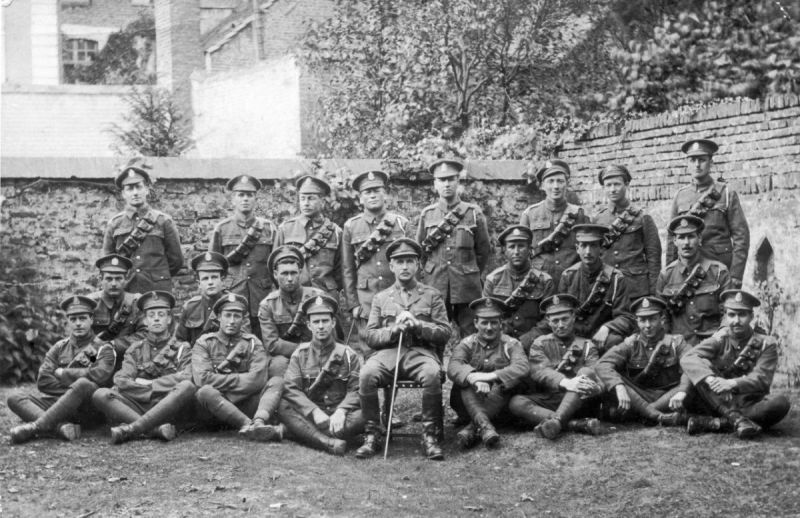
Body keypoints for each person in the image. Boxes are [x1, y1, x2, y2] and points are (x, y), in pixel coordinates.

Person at [356, 238, 451, 460]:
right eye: (399, 262)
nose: (405, 266)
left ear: (418, 264)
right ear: (391, 266)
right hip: (388, 354)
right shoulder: (381, 298)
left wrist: (419, 325)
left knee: (431, 374)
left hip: (421, 353)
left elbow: (445, 331)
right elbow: (370, 336)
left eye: (410, 261)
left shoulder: (432, 295)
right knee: (366, 374)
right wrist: (394, 329)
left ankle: (430, 435)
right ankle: (372, 434)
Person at [680, 290, 791, 438]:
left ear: (751, 316)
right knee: (702, 363)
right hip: (716, 400)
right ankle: (737, 420)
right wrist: (711, 380)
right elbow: (688, 358)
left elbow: (761, 379)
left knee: (780, 403)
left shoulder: (766, 343)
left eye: (742, 314)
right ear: (725, 316)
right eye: (731, 315)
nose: (736, 320)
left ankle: (716, 423)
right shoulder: (720, 338)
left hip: (747, 403)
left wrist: (731, 383)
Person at [7, 296, 115, 444]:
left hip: (88, 410)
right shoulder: (59, 347)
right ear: (68, 321)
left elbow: (99, 376)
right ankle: (60, 427)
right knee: (15, 398)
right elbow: (43, 381)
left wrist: (63, 374)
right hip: (61, 406)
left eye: (82, 318)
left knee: (83, 384)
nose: (78, 323)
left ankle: (36, 427)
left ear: (91, 319)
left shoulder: (105, 348)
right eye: (73, 319)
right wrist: (72, 393)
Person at [92, 291, 196, 444]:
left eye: (161, 314)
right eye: (151, 315)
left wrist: (149, 384)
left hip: (166, 404)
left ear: (169, 320)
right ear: (145, 321)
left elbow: (186, 376)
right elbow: (121, 379)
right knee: (100, 394)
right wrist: (158, 387)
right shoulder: (135, 349)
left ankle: (133, 428)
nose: (156, 319)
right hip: (137, 404)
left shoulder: (182, 348)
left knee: (187, 386)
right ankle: (154, 429)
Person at [508, 294, 605, 440]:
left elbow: (598, 376)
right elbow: (539, 371)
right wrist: (567, 382)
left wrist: (597, 388)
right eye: (555, 320)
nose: (560, 325)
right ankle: (574, 424)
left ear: (573, 316)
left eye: (565, 319)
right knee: (516, 402)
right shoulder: (540, 343)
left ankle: (557, 421)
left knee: (586, 372)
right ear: (548, 321)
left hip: (579, 401)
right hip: (552, 398)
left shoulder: (587, 345)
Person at [278, 294, 364, 455]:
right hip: (312, 415)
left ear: (333, 323)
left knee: (366, 413)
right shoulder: (300, 354)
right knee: (282, 405)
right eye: (316, 322)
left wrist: (342, 411)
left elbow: (356, 389)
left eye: (325, 321)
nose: (321, 326)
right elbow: (291, 389)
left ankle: (298, 432)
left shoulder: (348, 354)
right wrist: (314, 412)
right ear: (309, 325)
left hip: (339, 416)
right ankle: (327, 441)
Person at [416, 158, 490, 338]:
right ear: (435, 183)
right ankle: (435, 366)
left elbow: (483, 250)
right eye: (441, 180)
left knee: (471, 333)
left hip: (467, 285)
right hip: (436, 284)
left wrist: (469, 270)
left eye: (451, 179)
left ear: (458, 181)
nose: (446, 184)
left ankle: (469, 366)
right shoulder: (428, 214)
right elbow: (420, 252)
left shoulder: (473, 212)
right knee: (434, 333)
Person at [193, 293, 282, 442]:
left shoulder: (253, 343)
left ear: (243, 319)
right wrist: (242, 382)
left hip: (246, 405)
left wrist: (224, 387)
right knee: (205, 391)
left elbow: (258, 380)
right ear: (219, 317)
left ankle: (259, 421)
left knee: (277, 381)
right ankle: (248, 425)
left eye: (237, 316)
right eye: (227, 315)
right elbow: (202, 379)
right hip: (215, 408)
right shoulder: (204, 343)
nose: (232, 321)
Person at [594, 296, 691, 426]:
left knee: (694, 377)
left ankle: (642, 413)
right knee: (609, 377)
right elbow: (602, 364)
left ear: (661, 319)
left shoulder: (677, 342)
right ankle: (658, 415)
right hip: (639, 394)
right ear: (637, 321)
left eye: (652, 319)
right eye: (642, 320)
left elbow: (692, 366)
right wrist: (619, 386)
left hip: (670, 395)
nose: (647, 325)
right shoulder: (631, 343)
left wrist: (682, 391)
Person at [342, 170, 409, 355]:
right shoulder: (351, 227)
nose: (372, 195)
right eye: (367, 192)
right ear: (360, 198)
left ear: (385, 194)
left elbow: (412, 265)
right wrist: (353, 303)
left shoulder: (401, 224)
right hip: (366, 296)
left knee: (398, 346)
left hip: (395, 293)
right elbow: (347, 269)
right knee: (369, 347)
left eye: (377, 190)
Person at [447, 297, 529, 449]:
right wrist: (473, 378)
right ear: (476, 323)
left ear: (501, 324)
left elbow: (522, 366)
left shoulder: (510, 344)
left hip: (502, 406)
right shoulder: (467, 344)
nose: (489, 327)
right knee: (466, 382)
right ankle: (484, 426)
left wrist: (490, 376)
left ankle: (475, 427)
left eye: (494, 322)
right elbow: (453, 366)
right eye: (484, 322)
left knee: (505, 383)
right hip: (468, 403)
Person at [667, 139, 749, 288]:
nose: (697, 165)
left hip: (719, 269)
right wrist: (670, 273)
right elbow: (672, 239)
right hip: (688, 272)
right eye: (692, 160)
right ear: (687, 164)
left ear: (710, 162)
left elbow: (741, 237)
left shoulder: (725, 192)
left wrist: (736, 275)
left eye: (702, 160)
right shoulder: (680, 196)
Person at [210, 174, 278, 337]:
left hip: (262, 296)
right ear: (233, 199)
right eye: (241, 195)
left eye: (249, 195)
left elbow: (276, 266)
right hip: (233, 297)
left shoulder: (269, 228)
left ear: (256, 199)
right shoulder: (222, 229)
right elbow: (213, 268)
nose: (245, 199)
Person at [102, 160, 184, 293]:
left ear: (146, 189)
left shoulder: (164, 221)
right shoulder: (115, 224)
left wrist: (158, 277)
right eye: (129, 188)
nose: (135, 192)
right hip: (127, 290)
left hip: (157, 291)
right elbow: (108, 262)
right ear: (123, 194)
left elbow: (176, 261)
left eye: (138, 187)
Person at [558, 224, 636, 352]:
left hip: (602, 338)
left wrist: (607, 328)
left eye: (593, 245)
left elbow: (626, 317)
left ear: (601, 249)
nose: (588, 252)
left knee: (615, 341)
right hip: (574, 335)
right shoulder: (568, 276)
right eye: (583, 246)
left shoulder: (616, 278)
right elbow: (561, 312)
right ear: (577, 248)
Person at [656, 216, 731, 345]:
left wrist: (721, 334)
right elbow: (662, 317)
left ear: (699, 239)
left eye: (691, 236)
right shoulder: (666, 276)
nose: (686, 243)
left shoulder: (719, 272)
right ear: (674, 241)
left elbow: (729, 311)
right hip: (680, 346)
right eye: (681, 237)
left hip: (712, 345)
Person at [592, 164, 661, 298]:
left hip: (636, 288)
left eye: (617, 184)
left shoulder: (642, 218)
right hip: (608, 288)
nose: (612, 189)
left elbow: (654, 258)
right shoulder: (598, 220)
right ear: (603, 188)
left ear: (627, 184)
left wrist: (653, 292)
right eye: (608, 185)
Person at [483, 225, 554, 352]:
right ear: (504, 250)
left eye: (521, 246)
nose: (516, 251)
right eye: (511, 247)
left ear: (529, 250)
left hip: (535, 345)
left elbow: (549, 319)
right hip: (500, 344)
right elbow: (487, 316)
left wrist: (526, 340)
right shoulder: (492, 280)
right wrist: (505, 340)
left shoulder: (544, 280)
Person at [519, 160, 589, 284]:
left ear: (567, 184)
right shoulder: (529, 214)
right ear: (542, 186)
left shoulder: (580, 214)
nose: (555, 186)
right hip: (540, 282)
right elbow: (522, 252)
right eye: (551, 181)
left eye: (560, 181)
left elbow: (589, 250)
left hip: (572, 281)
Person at [275, 174, 342, 297]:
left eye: (311, 198)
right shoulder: (285, 229)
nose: (306, 203)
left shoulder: (335, 232)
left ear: (322, 201)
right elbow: (275, 266)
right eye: (303, 198)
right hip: (294, 295)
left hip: (326, 295)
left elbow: (341, 270)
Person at [175, 252, 250, 345]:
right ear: (199, 284)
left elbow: (245, 340)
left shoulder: (237, 305)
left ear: (222, 280)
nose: (210, 282)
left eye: (214, 277)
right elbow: (180, 340)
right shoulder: (190, 307)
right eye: (205, 278)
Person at [87, 254, 145, 369]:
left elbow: (145, 334)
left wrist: (114, 345)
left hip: (129, 360)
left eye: (118, 278)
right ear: (100, 279)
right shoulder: (90, 303)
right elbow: (80, 335)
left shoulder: (136, 303)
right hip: (96, 361)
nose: (114, 283)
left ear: (126, 279)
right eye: (109, 279)